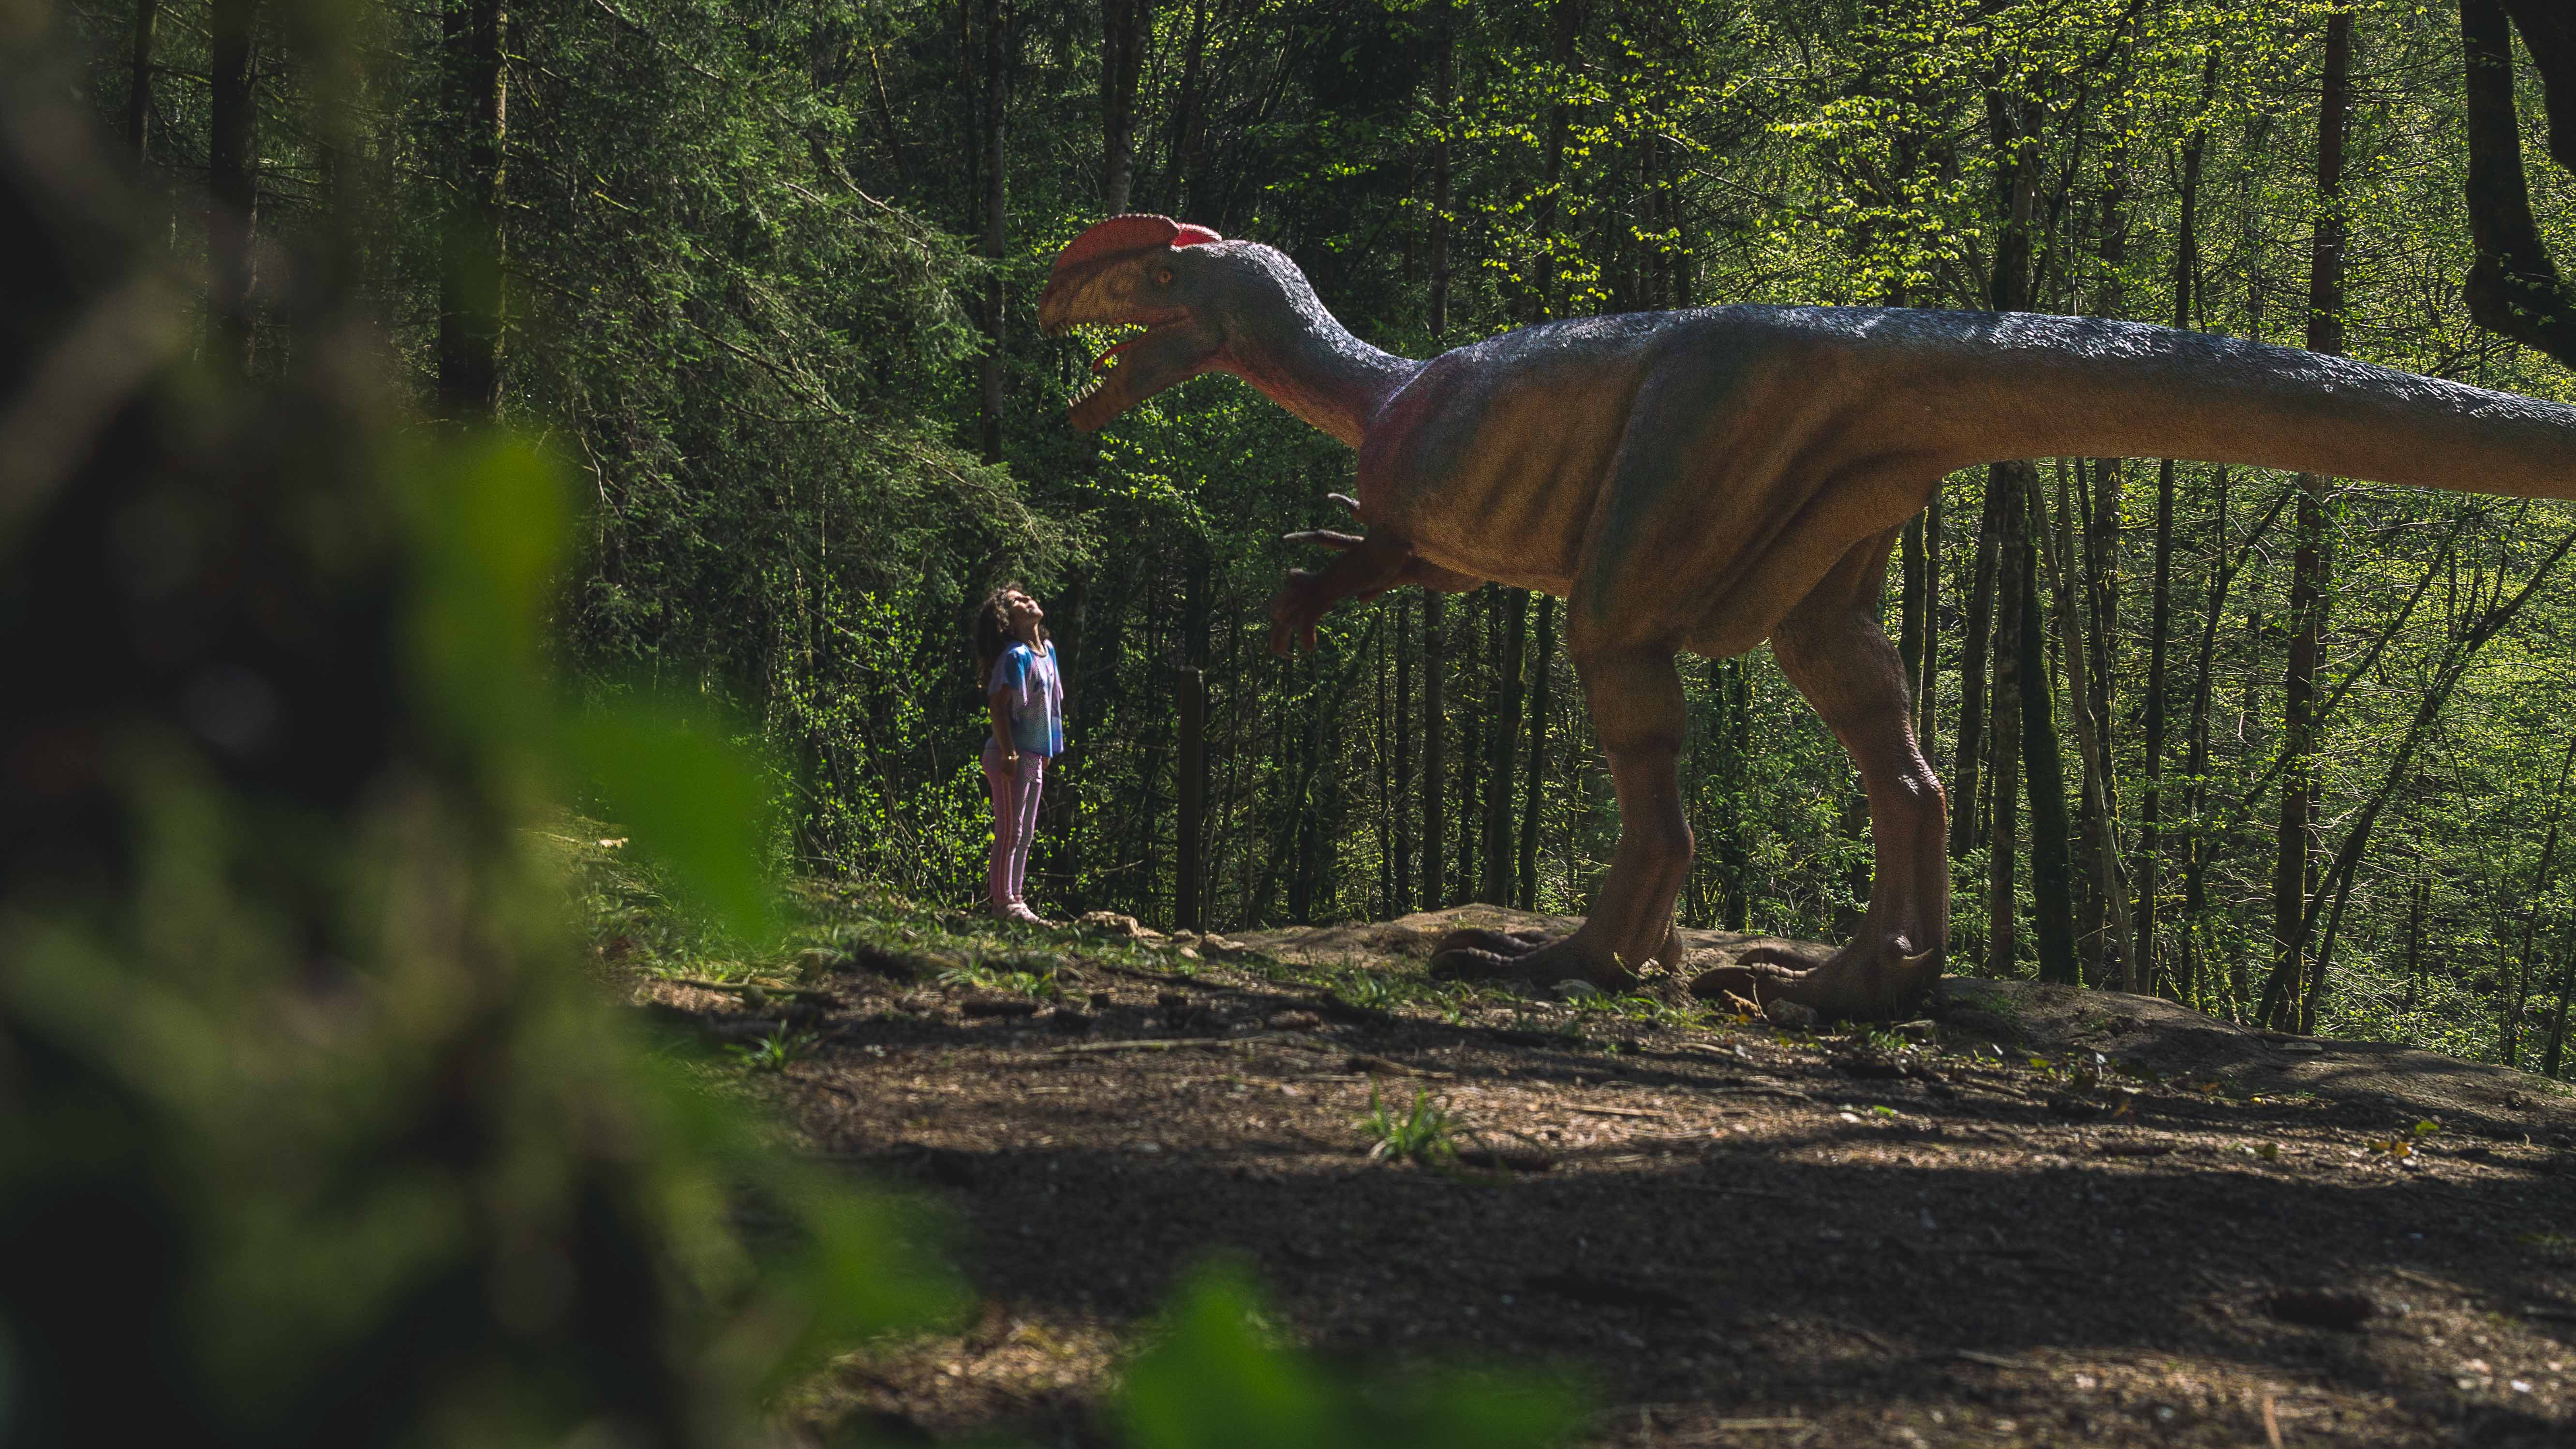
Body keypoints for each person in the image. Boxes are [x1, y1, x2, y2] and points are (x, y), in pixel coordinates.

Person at [974, 583, 1064, 922]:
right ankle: (1002, 902)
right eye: (1017, 602)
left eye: (1027, 597)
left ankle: (1017, 899)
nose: (1028, 601)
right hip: (1008, 755)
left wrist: (1048, 749)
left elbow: (1053, 704)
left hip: (1034, 755)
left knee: (1025, 833)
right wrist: (1010, 751)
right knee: (1009, 830)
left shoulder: (1047, 651)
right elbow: (998, 706)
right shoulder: (1014, 656)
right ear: (1006, 622)